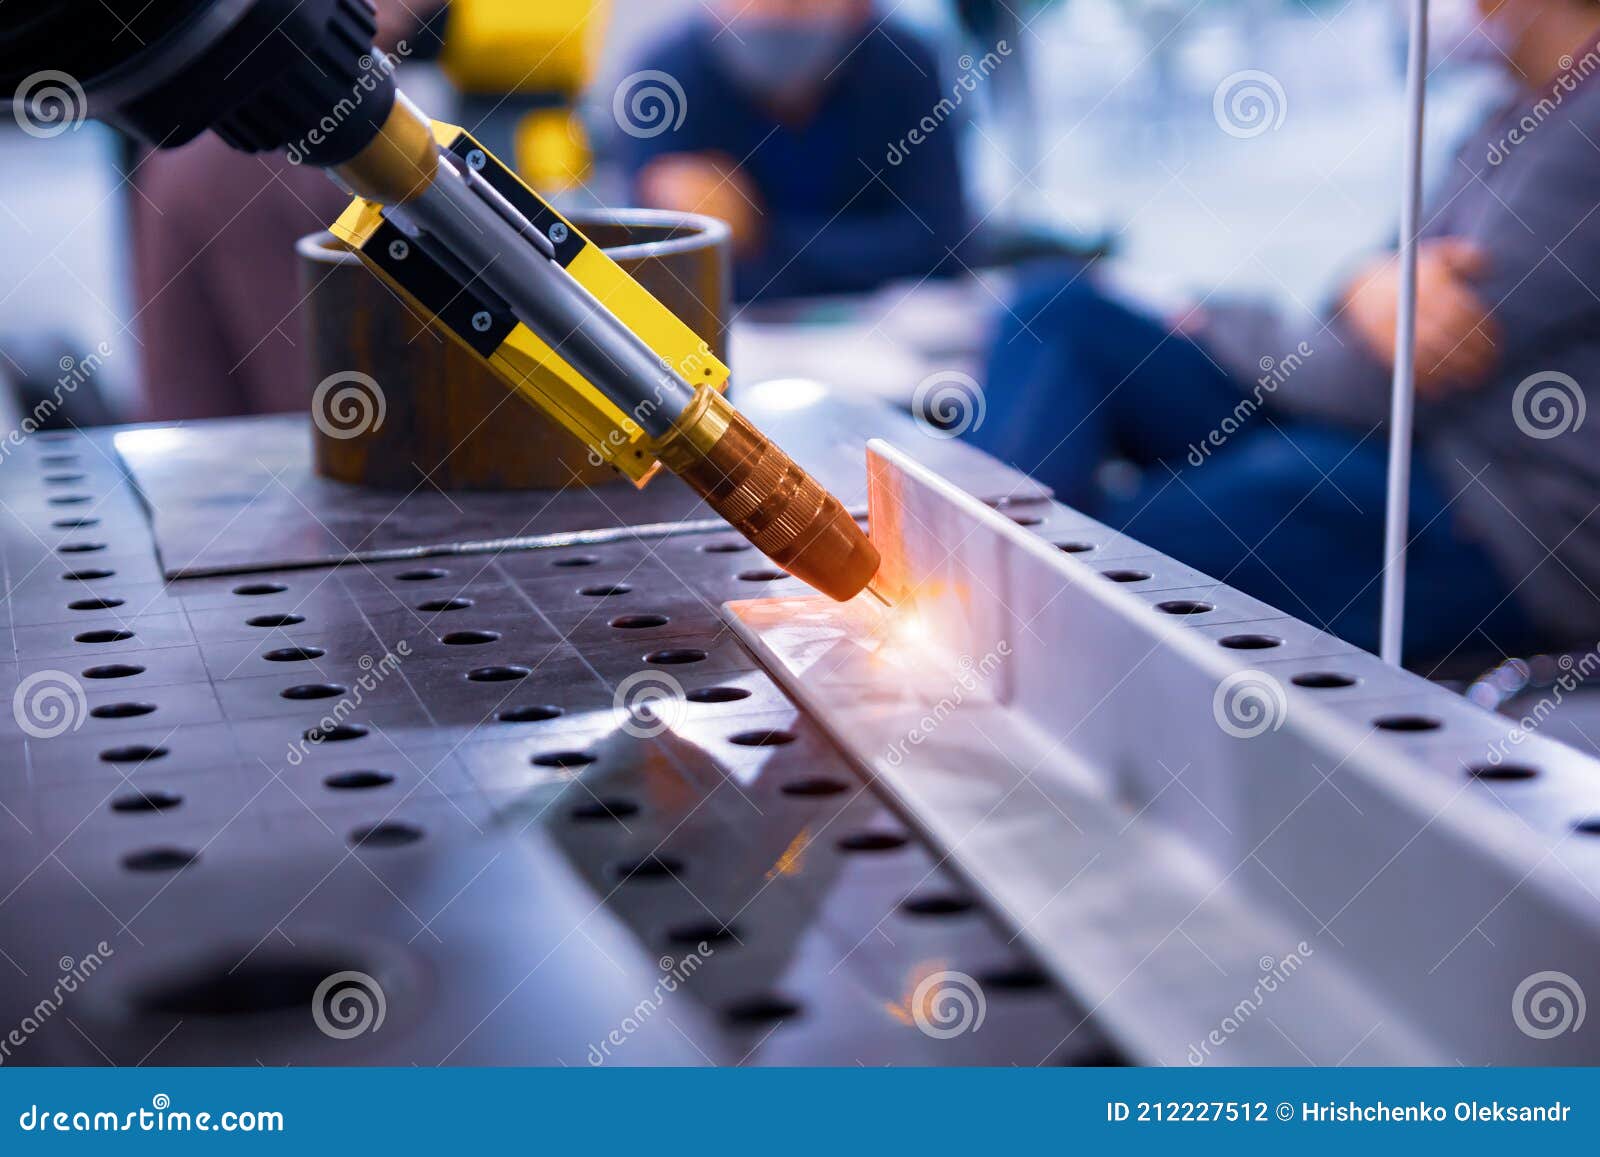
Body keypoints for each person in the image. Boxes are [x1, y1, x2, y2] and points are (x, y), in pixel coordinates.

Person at [969, 0, 1600, 661]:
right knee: (1055, 309)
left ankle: (992, 612)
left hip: (1498, 519)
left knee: (1129, 538)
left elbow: (1395, 369)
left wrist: (1224, 324)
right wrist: (1362, 283)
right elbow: (1373, 301)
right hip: (1388, 431)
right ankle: (974, 566)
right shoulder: (1509, 115)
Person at [615, 0, 968, 302]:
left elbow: (944, 247)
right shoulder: (662, 82)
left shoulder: (906, 64)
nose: (773, 14)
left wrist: (758, 236)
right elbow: (655, 271)